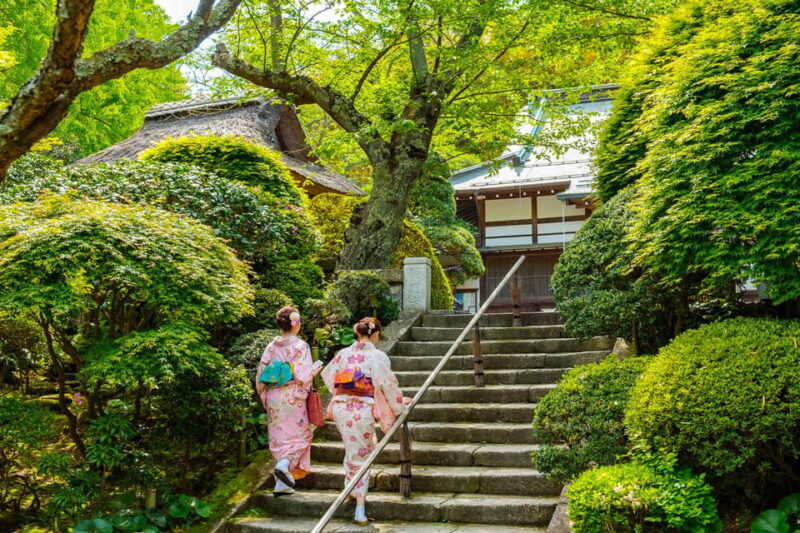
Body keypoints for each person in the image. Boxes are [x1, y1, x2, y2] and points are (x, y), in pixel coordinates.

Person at [322, 317, 409, 526]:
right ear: (376, 333)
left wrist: (345, 391)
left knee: (356, 449)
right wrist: (399, 406)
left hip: (343, 408)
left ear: (356, 332)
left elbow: (328, 377)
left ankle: (351, 488)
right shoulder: (377, 356)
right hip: (361, 409)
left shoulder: (343, 354)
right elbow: (387, 383)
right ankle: (360, 509)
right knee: (361, 455)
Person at [256, 306, 322, 497]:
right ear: (296, 324)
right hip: (292, 397)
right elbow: (302, 375)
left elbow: (261, 376)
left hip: (274, 397)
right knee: (300, 437)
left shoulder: (271, 346)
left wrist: (265, 396)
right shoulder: (300, 346)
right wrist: (314, 371)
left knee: (279, 438)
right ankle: (285, 465)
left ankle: (281, 484)